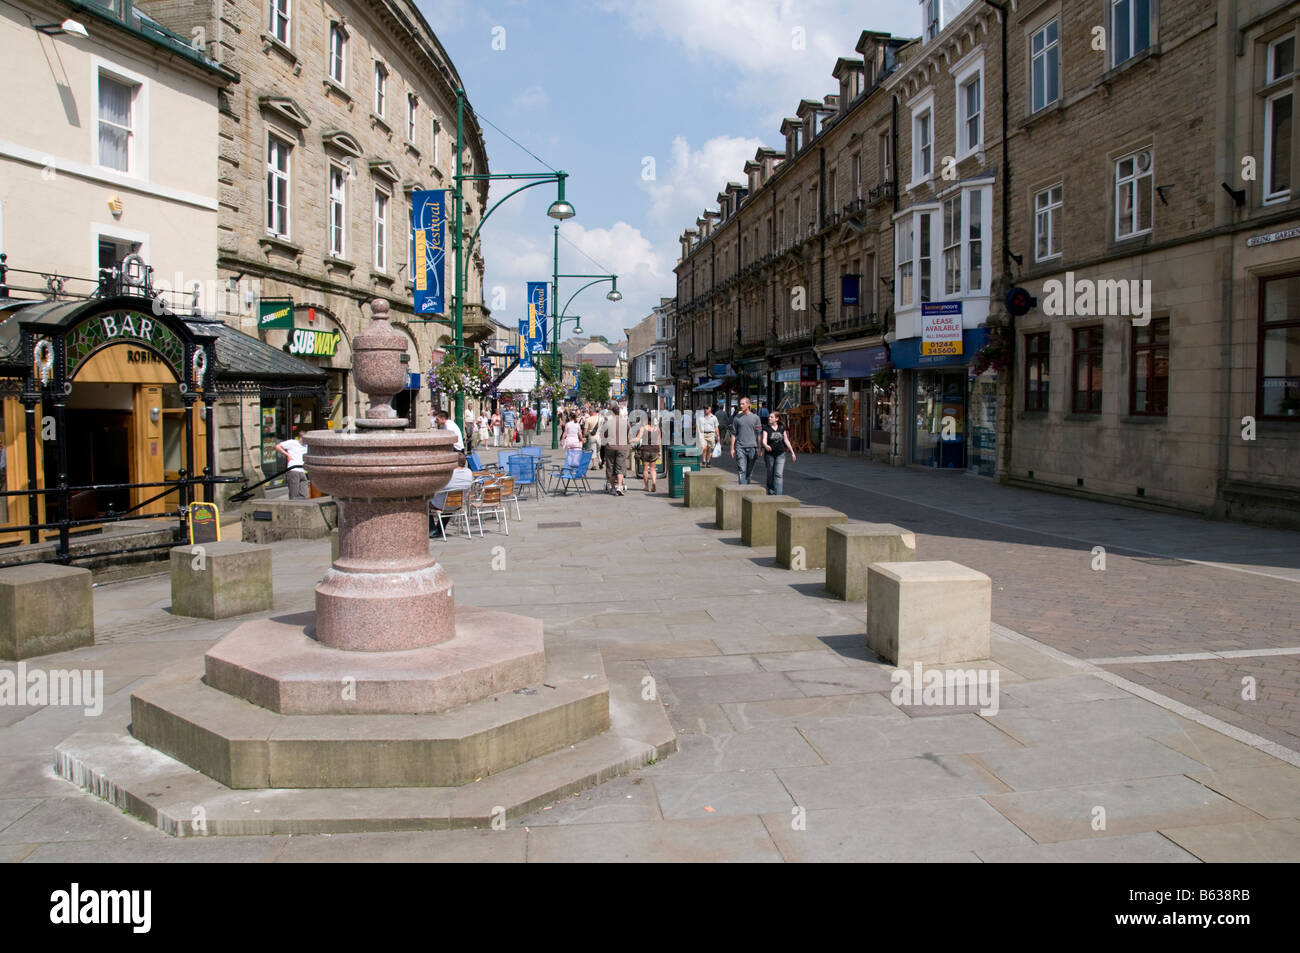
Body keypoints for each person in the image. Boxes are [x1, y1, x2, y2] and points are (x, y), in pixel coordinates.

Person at [429, 453, 476, 538]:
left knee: (424, 503)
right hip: (457, 504)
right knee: (448, 501)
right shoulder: (469, 472)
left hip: (442, 504)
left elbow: (438, 488)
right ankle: (439, 529)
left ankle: (432, 530)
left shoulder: (448, 474)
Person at [761, 409, 797, 495]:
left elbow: (786, 440)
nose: (769, 418)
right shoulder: (766, 428)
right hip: (769, 455)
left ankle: (778, 494)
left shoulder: (781, 428)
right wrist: (765, 445)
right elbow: (764, 439)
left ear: (776, 419)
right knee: (770, 473)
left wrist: (792, 452)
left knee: (778, 474)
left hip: (780, 454)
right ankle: (770, 490)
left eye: (771, 417)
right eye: (769, 417)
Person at [728, 397, 762, 485]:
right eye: (740, 404)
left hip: (752, 447)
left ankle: (747, 488)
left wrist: (759, 448)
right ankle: (742, 489)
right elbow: (733, 434)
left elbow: (759, 434)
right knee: (742, 470)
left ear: (748, 405)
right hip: (740, 447)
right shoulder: (737, 418)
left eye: (743, 404)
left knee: (749, 472)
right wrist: (732, 448)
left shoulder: (756, 418)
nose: (741, 406)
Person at [602, 401, 631, 495]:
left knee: (610, 467)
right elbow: (629, 434)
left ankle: (613, 488)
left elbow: (605, 435)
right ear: (620, 412)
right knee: (620, 467)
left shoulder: (608, 422)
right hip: (622, 447)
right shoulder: (625, 422)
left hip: (610, 447)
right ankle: (619, 486)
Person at [275, 426, 310, 499]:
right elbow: (278, 446)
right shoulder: (292, 442)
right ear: (300, 438)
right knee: (294, 493)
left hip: (302, 470)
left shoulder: (306, 445)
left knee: (304, 493)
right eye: (304, 439)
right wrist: (287, 455)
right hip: (293, 470)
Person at [634, 411, 661, 493]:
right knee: (653, 469)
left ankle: (646, 487)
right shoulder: (657, 429)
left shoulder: (643, 428)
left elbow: (637, 439)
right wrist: (659, 452)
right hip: (654, 450)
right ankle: (654, 482)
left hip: (645, 450)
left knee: (645, 469)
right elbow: (659, 441)